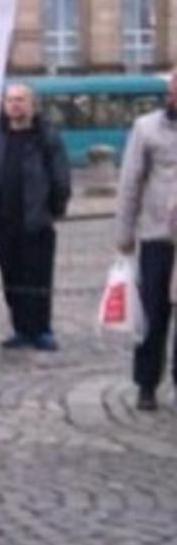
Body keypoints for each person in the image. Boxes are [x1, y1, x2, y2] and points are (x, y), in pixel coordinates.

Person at [0, 83, 71, 352]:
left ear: (32, 104)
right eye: (10, 100)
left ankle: (41, 329)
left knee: (38, 278)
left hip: (35, 221)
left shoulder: (46, 137)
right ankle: (20, 328)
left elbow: (60, 178)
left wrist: (53, 210)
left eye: (21, 100)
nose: (15, 105)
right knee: (12, 279)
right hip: (3, 222)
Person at [116, 71, 177, 411]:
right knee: (153, 315)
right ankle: (147, 384)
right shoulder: (147, 127)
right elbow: (130, 182)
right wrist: (124, 234)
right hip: (157, 237)